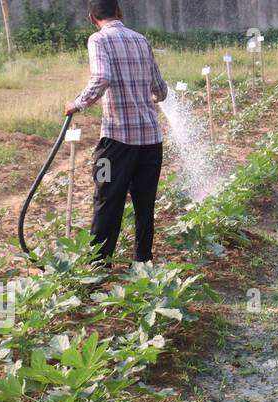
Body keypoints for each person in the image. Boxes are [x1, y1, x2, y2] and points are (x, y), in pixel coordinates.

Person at [66, 1, 168, 264]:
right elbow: (160, 88)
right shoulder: (141, 40)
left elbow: (102, 77)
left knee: (106, 199)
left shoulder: (98, 40)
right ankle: (143, 261)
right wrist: (151, 96)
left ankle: (98, 265)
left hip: (115, 142)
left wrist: (77, 104)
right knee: (145, 204)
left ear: (92, 19)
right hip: (150, 140)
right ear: (119, 12)